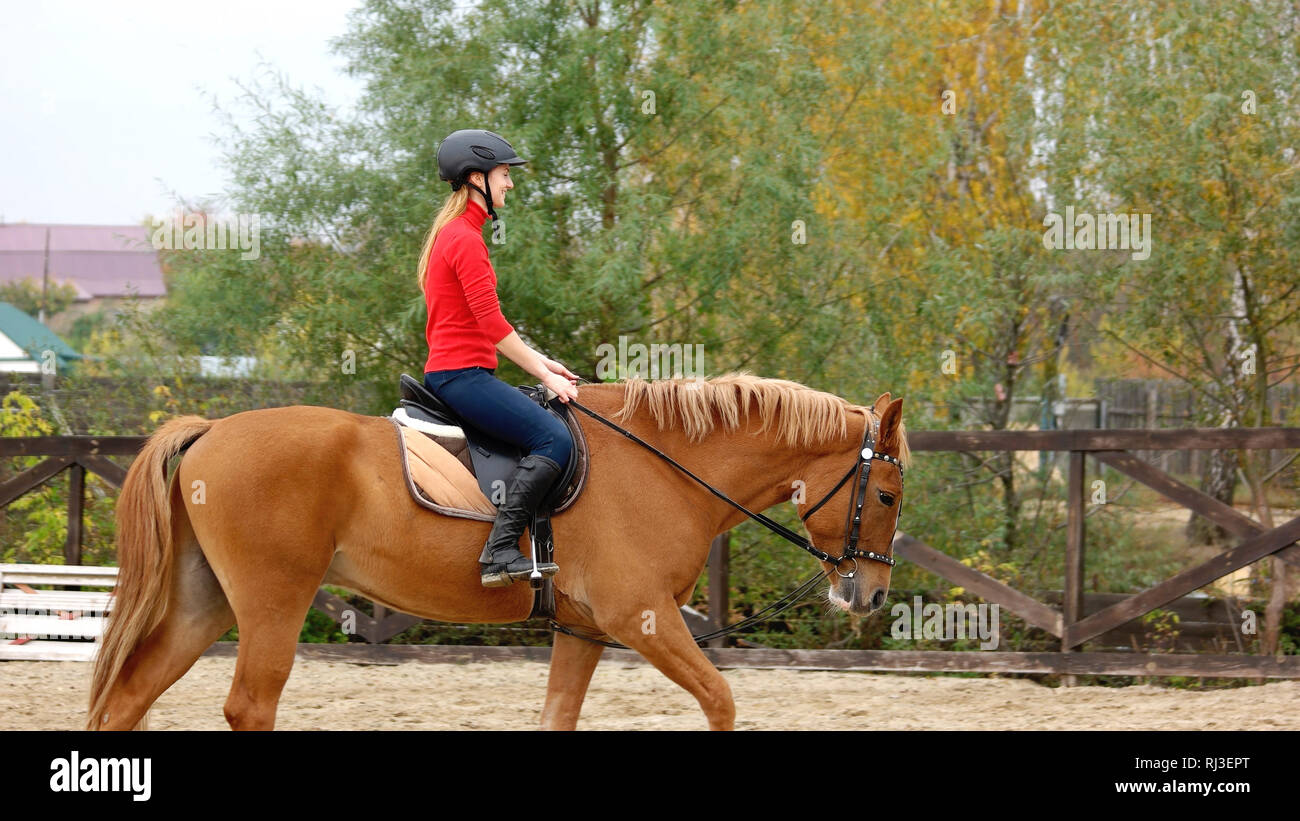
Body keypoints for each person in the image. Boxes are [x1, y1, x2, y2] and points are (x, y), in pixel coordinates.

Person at [417, 128, 579, 588]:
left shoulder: (457, 234)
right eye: (505, 174)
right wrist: (545, 376)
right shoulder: (465, 239)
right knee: (554, 441)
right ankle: (500, 549)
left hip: (460, 373)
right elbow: (491, 324)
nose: (510, 183)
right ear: (476, 178)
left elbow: (488, 323)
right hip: (461, 377)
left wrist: (544, 364)